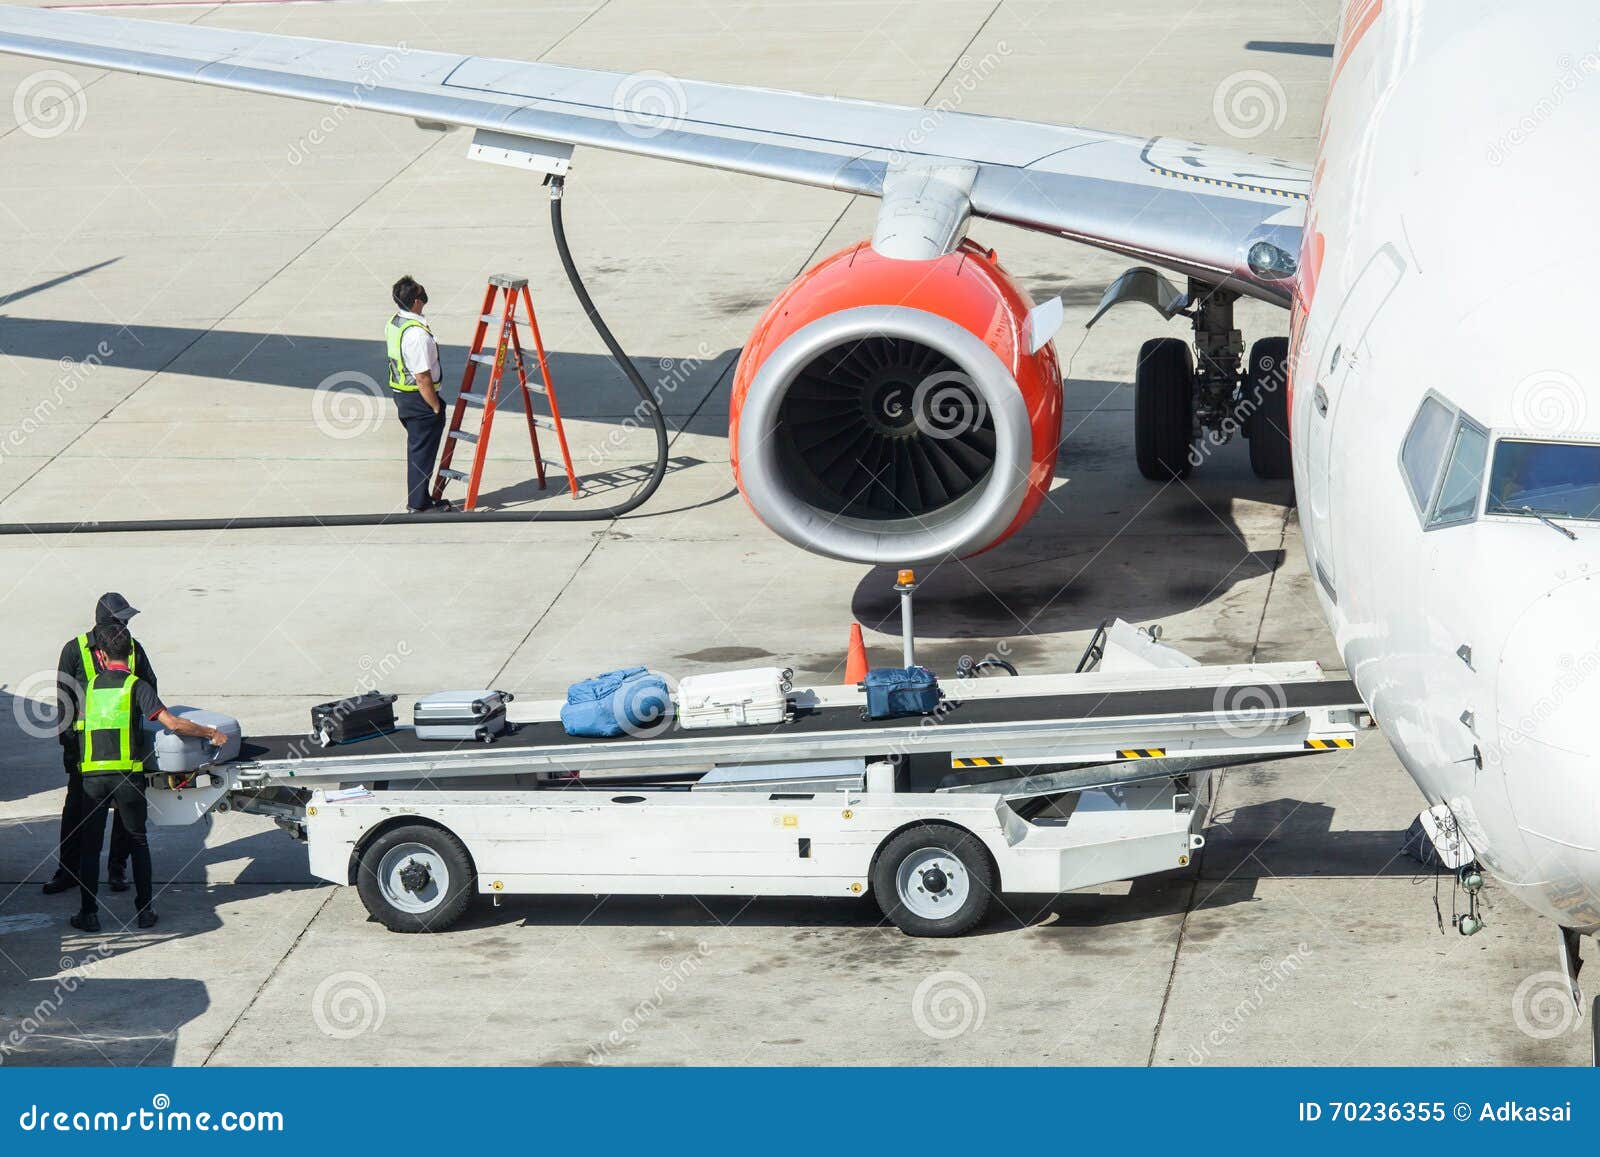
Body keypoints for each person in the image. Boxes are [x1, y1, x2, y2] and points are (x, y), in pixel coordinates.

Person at [70, 621, 228, 933]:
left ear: (101, 656)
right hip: (127, 777)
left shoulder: (87, 689)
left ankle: (88, 914)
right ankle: (144, 912)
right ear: (130, 653)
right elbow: (173, 724)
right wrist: (210, 733)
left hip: (93, 777)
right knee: (138, 842)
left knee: (90, 848)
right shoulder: (136, 686)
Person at [44, 593, 157, 897]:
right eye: (122, 620)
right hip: (86, 752)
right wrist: (70, 751)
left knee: (123, 814)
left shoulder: (132, 648)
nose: (126, 625)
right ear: (106, 621)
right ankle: (68, 871)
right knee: (75, 811)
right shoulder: (74, 650)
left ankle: (116, 869)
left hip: (124, 749)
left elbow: (149, 688)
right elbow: (64, 702)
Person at [386, 275, 454, 514]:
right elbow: (422, 377)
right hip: (419, 400)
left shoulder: (396, 322)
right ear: (416, 301)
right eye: (420, 291)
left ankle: (421, 498)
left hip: (403, 395)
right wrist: (435, 406)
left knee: (419, 451)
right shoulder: (416, 335)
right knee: (422, 453)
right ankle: (418, 504)